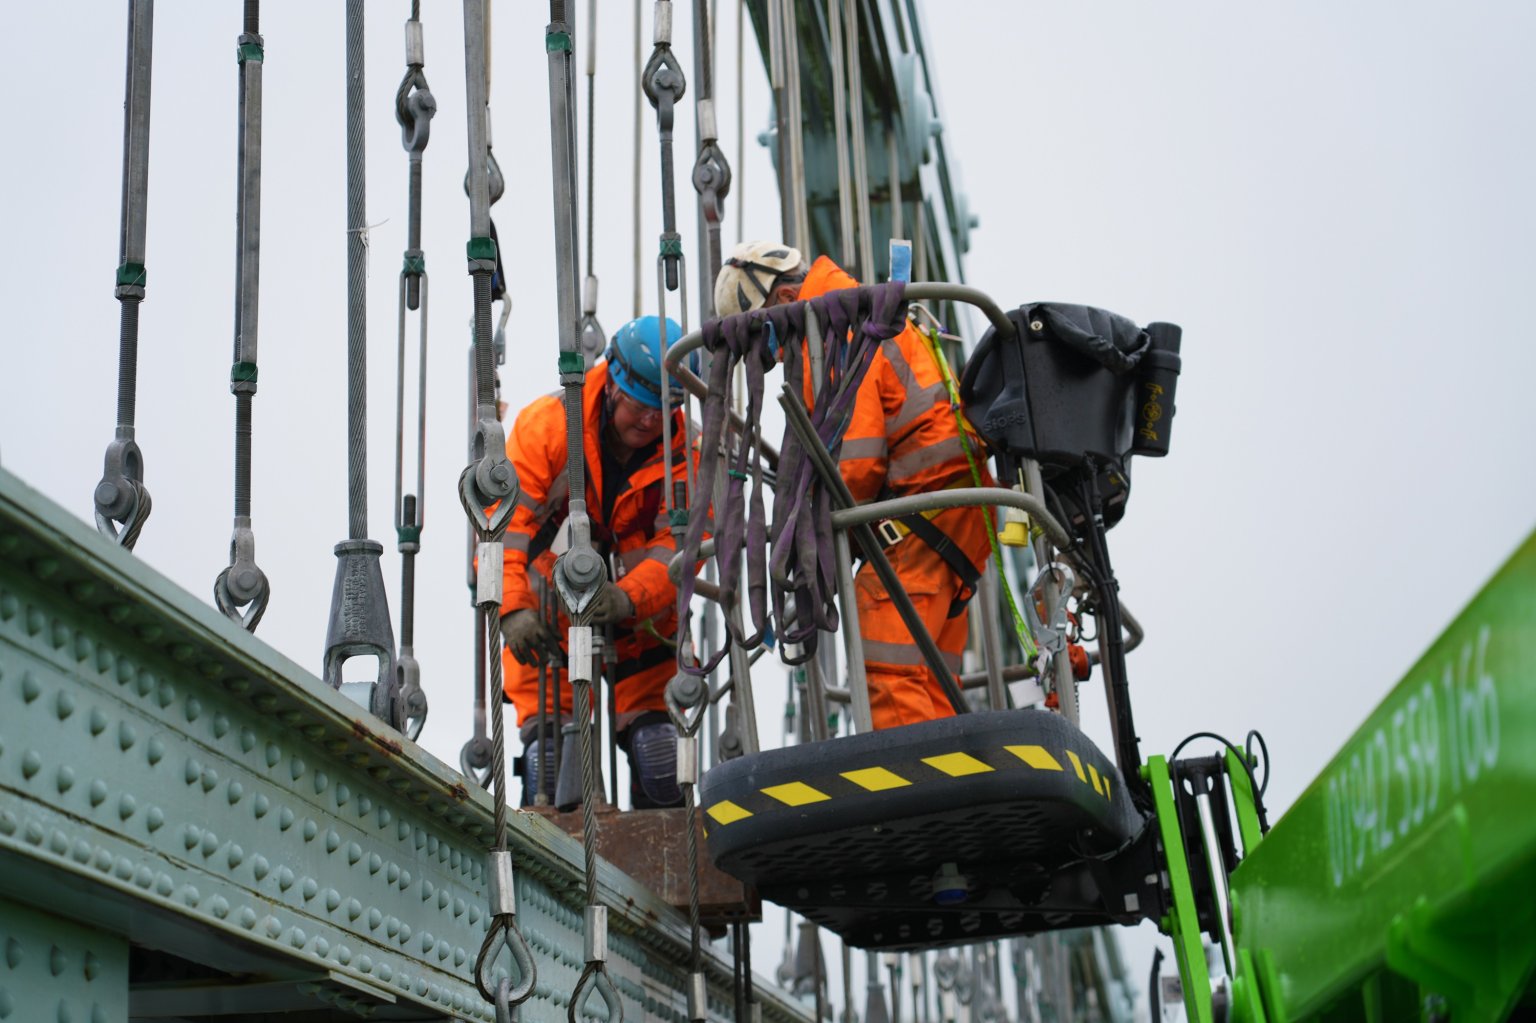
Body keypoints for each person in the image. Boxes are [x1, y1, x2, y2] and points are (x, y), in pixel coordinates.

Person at [714, 242, 993, 729]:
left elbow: (857, 461)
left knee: (886, 663)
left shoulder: (837, 331)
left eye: (766, 336)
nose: (772, 355)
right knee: (927, 676)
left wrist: (803, 525)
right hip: (953, 510)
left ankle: (916, 790)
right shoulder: (862, 309)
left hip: (924, 510)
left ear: (783, 298)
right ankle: (956, 775)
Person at [496, 315, 697, 809]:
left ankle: (658, 846)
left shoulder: (687, 453)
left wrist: (628, 598)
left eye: (662, 409)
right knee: (549, 757)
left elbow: (680, 551)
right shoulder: (547, 429)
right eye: (640, 406)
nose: (650, 421)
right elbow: (504, 525)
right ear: (613, 388)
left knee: (660, 762)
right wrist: (511, 608)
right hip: (548, 610)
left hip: (643, 618)